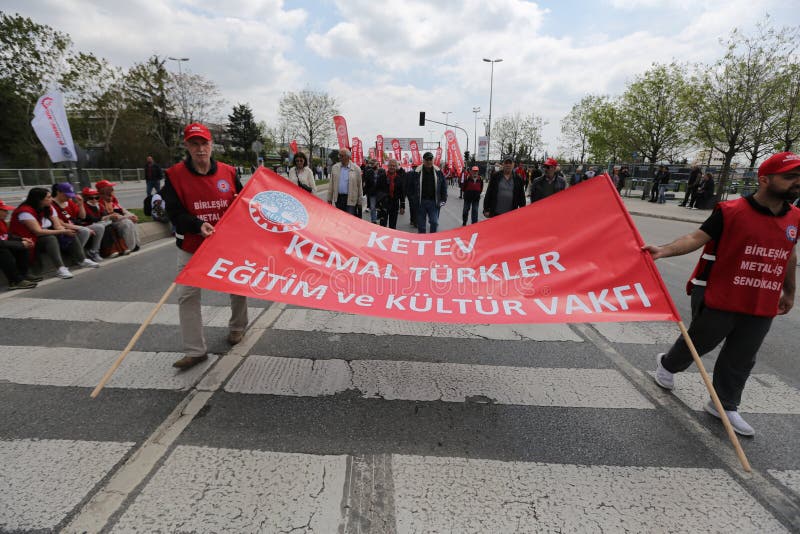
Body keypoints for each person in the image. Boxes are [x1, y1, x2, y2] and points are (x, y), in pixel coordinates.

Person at [644, 152, 800, 437]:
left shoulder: (795, 217)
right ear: (764, 179)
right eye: (789, 177)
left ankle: (724, 405)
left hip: (762, 301)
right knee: (699, 343)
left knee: (742, 356)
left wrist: (789, 291)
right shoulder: (730, 211)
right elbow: (695, 238)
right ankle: (667, 364)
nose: (796, 183)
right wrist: (664, 250)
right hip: (721, 294)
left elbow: (789, 255)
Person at [162, 122, 249, 370]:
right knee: (187, 296)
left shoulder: (229, 172)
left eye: (204, 144)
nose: (200, 149)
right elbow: (174, 212)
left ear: (212, 145)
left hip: (226, 244)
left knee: (237, 286)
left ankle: (237, 329)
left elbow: (241, 202)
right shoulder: (174, 175)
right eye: (194, 144)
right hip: (191, 244)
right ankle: (195, 350)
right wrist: (197, 224)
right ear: (187, 146)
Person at [9, 187, 99, 279]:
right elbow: (38, 232)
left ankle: (82, 259)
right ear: (39, 200)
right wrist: (63, 231)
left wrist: (64, 230)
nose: (51, 199)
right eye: (48, 197)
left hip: (42, 235)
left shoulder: (49, 207)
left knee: (69, 232)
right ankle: (60, 268)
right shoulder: (25, 211)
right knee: (51, 238)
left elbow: (57, 226)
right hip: (27, 238)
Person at [51, 182, 103, 263]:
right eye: (66, 195)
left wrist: (81, 205)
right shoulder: (52, 204)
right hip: (65, 230)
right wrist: (81, 228)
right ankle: (78, 256)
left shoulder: (69, 202)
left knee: (99, 227)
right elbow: (61, 223)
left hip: (75, 226)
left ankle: (94, 251)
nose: (68, 197)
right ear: (58, 192)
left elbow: (82, 217)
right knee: (85, 231)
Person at [0, 198, 38, 289]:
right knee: (3, 251)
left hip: (3, 245)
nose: (7, 213)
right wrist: (21, 244)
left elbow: (7, 236)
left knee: (23, 247)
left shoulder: (1, 221)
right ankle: (15, 281)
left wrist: (22, 239)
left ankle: (23, 276)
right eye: (4, 210)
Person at [96, 180, 141, 252]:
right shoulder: (99, 202)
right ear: (104, 190)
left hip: (119, 219)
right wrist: (127, 217)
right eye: (110, 188)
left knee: (133, 219)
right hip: (110, 221)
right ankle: (129, 246)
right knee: (127, 222)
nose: (113, 189)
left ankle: (136, 244)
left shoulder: (113, 199)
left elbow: (122, 209)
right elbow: (112, 215)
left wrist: (131, 215)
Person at [407, 151, 447, 233]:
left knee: (434, 222)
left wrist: (443, 199)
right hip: (421, 202)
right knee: (421, 226)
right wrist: (412, 199)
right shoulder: (416, 172)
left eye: (430, 159)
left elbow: (443, 186)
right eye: (427, 159)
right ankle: (423, 241)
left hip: (434, 202)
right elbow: (410, 187)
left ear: (433, 160)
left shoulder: (438, 172)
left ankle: (432, 238)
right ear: (423, 160)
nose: (429, 161)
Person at [327, 148, 363, 216]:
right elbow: (331, 184)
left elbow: (359, 186)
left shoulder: (356, 169)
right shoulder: (335, 168)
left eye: (342, 156)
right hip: (339, 199)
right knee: (340, 220)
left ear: (348, 157)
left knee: (349, 221)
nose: (339, 157)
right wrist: (329, 199)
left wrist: (360, 202)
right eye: (339, 155)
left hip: (351, 199)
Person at [374, 159, 406, 229]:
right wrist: (378, 204)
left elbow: (402, 193)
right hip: (383, 204)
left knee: (393, 226)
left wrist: (402, 206)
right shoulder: (382, 176)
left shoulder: (399, 178)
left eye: (394, 166)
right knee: (382, 225)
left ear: (396, 167)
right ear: (388, 166)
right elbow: (377, 190)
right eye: (391, 165)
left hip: (394, 204)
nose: (392, 167)